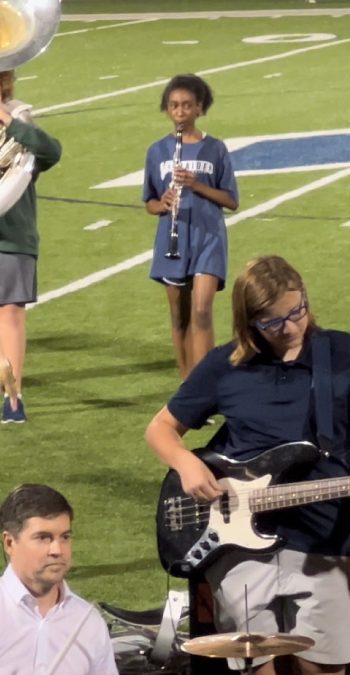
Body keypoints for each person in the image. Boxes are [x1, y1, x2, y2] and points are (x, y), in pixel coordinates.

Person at [145, 255, 350, 674]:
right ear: (248, 322)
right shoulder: (225, 366)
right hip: (239, 548)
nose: (290, 327)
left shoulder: (347, 354)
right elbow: (160, 429)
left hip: (325, 542)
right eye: (273, 322)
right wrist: (186, 463)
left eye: (297, 311)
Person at [143, 74, 239, 381]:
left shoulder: (215, 148)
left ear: (199, 108)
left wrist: (196, 185)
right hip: (172, 239)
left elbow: (231, 200)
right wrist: (162, 203)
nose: (180, 112)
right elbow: (149, 202)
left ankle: (207, 383)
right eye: (174, 105)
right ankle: (188, 385)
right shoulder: (157, 151)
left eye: (187, 105)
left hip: (208, 237)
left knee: (201, 310)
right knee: (180, 316)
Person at [0, 484, 118, 675]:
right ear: (9, 543)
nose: (57, 550)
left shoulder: (88, 622)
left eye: (64, 537)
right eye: (43, 538)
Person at [0, 70, 61, 424]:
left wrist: (8, 120)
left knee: (10, 313)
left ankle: (12, 399)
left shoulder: (19, 117)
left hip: (14, 232)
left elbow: (51, 153)